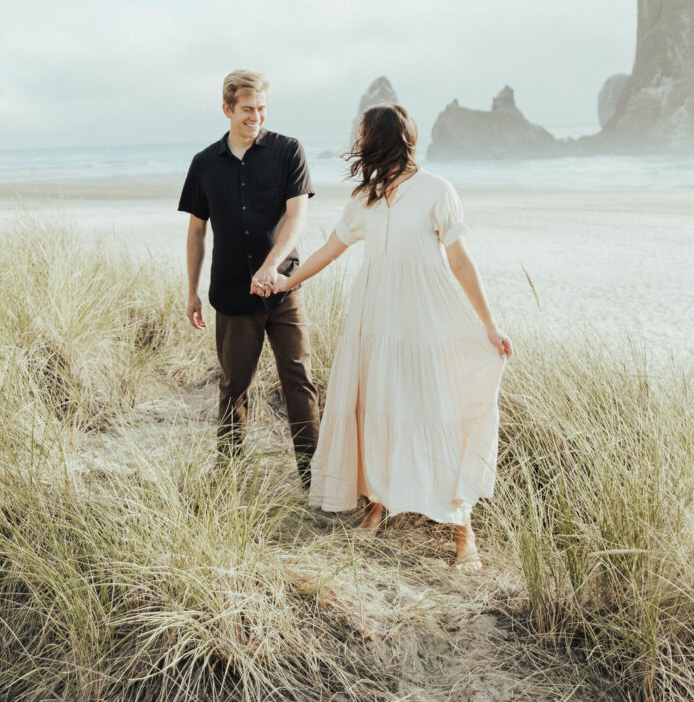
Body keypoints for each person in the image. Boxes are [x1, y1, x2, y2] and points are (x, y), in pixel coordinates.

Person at [263, 102, 510, 569]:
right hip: (375, 320)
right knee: (378, 408)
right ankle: (377, 502)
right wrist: (284, 280)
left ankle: (462, 528)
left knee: (435, 408)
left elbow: (460, 261)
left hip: (426, 319)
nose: (356, 140)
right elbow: (331, 250)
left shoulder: (438, 190)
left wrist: (489, 324)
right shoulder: (365, 198)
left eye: (362, 134)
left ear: (379, 138)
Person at [178, 69, 321, 483]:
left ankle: (314, 481)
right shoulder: (204, 163)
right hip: (232, 294)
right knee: (233, 388)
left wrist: (271, 266)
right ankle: (228, 479)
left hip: (284, 288)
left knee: (300, 380)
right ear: (226, 108)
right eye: (246, 109)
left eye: (261, 108)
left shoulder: (288, 151)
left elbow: (297, 217)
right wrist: (191, 291)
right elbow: (196, 231)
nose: (255, 116)